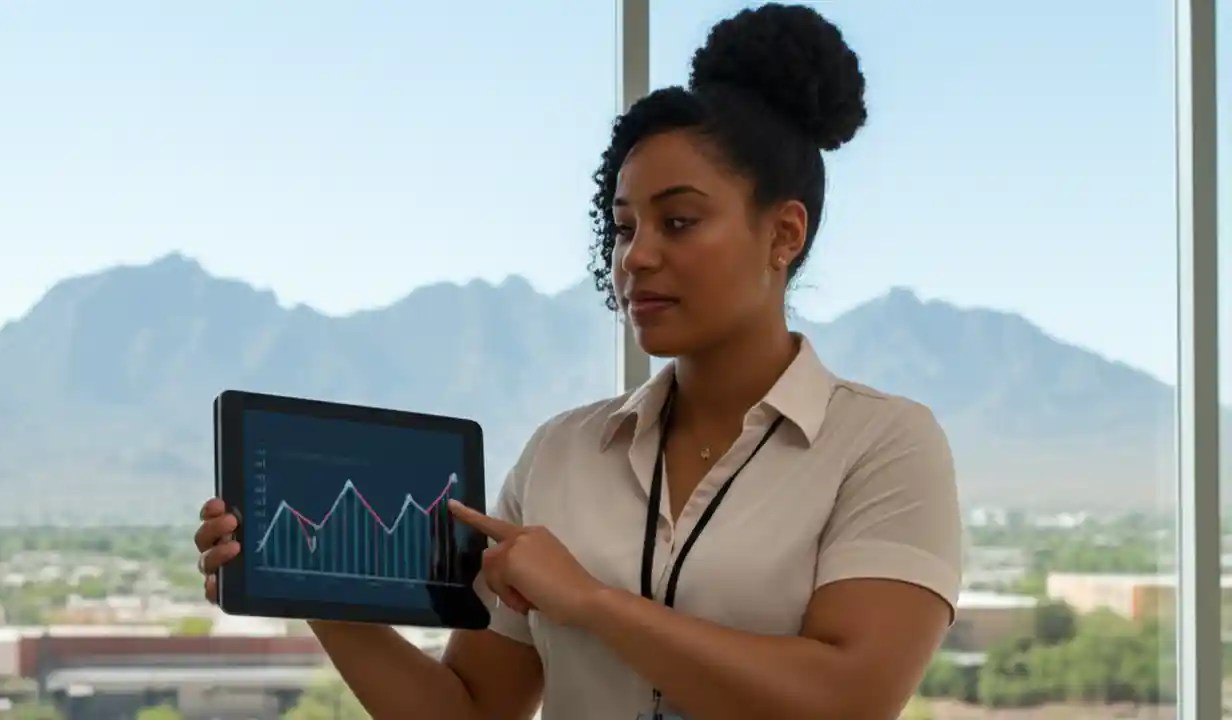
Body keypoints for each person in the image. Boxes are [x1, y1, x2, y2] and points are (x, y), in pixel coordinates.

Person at [194, 4, 961, 719]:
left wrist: (589, 601)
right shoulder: (564, 454)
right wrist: (312, 581)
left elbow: (848, 699)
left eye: (680, 221)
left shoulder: (882, 444)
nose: (639, 258)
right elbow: (470, 711)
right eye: (623, 229)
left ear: (784, 234)